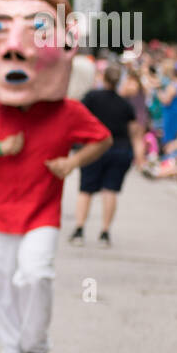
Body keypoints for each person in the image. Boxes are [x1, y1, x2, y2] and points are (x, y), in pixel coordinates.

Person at [0, 0, 111, 353]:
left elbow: (102, 139)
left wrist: (72, 162)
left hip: (42, 213)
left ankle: (36, 345)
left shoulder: (67, 112)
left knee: (36, 273)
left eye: (38, 29)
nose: (15, 46)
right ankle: (13, 350)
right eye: (0, 27)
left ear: (67, 42)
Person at [70, 61, 137, 247]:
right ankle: (105, 232)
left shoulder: (92, 97)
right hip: (119, 149)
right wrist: (139, 155)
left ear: (103, 78)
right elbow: (134, 131)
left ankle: (79, 229)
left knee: (86, 189)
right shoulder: (125, 104)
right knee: (110, 190)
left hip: (93, 147)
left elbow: (78, 117)